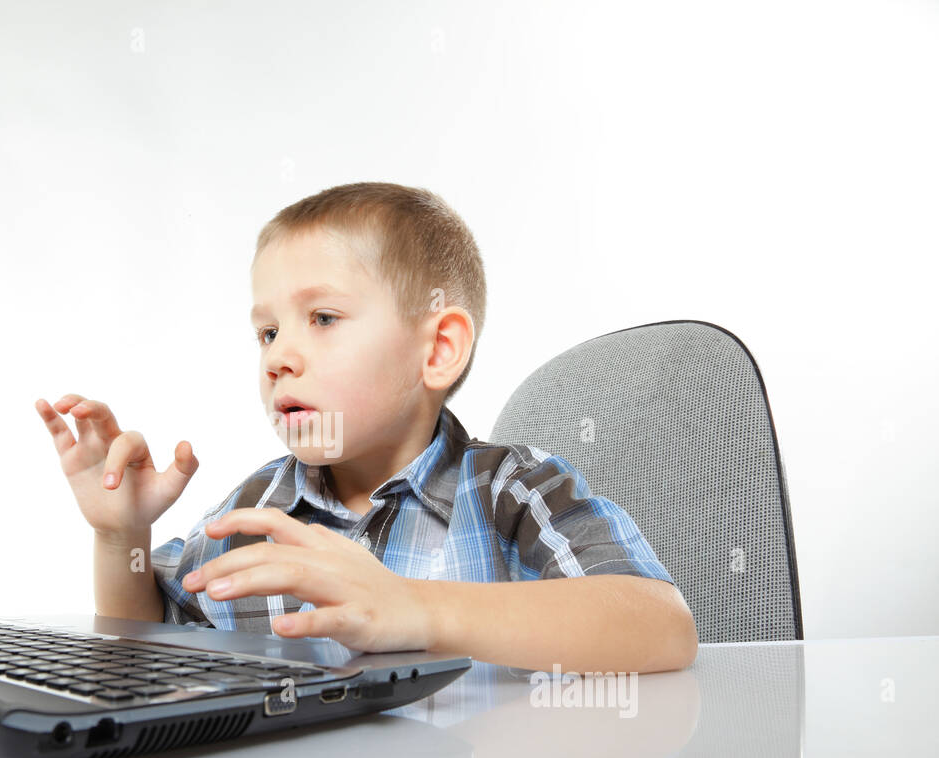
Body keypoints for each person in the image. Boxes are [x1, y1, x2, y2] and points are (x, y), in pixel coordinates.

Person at [35, 182, 697, 673]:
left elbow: (662, 628)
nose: (277, 356)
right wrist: (120, 535)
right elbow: (142, 645)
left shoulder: (511, 492)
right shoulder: (254, 512)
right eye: (267, 331)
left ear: (436, 351)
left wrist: (418, 610)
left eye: (322, 318)